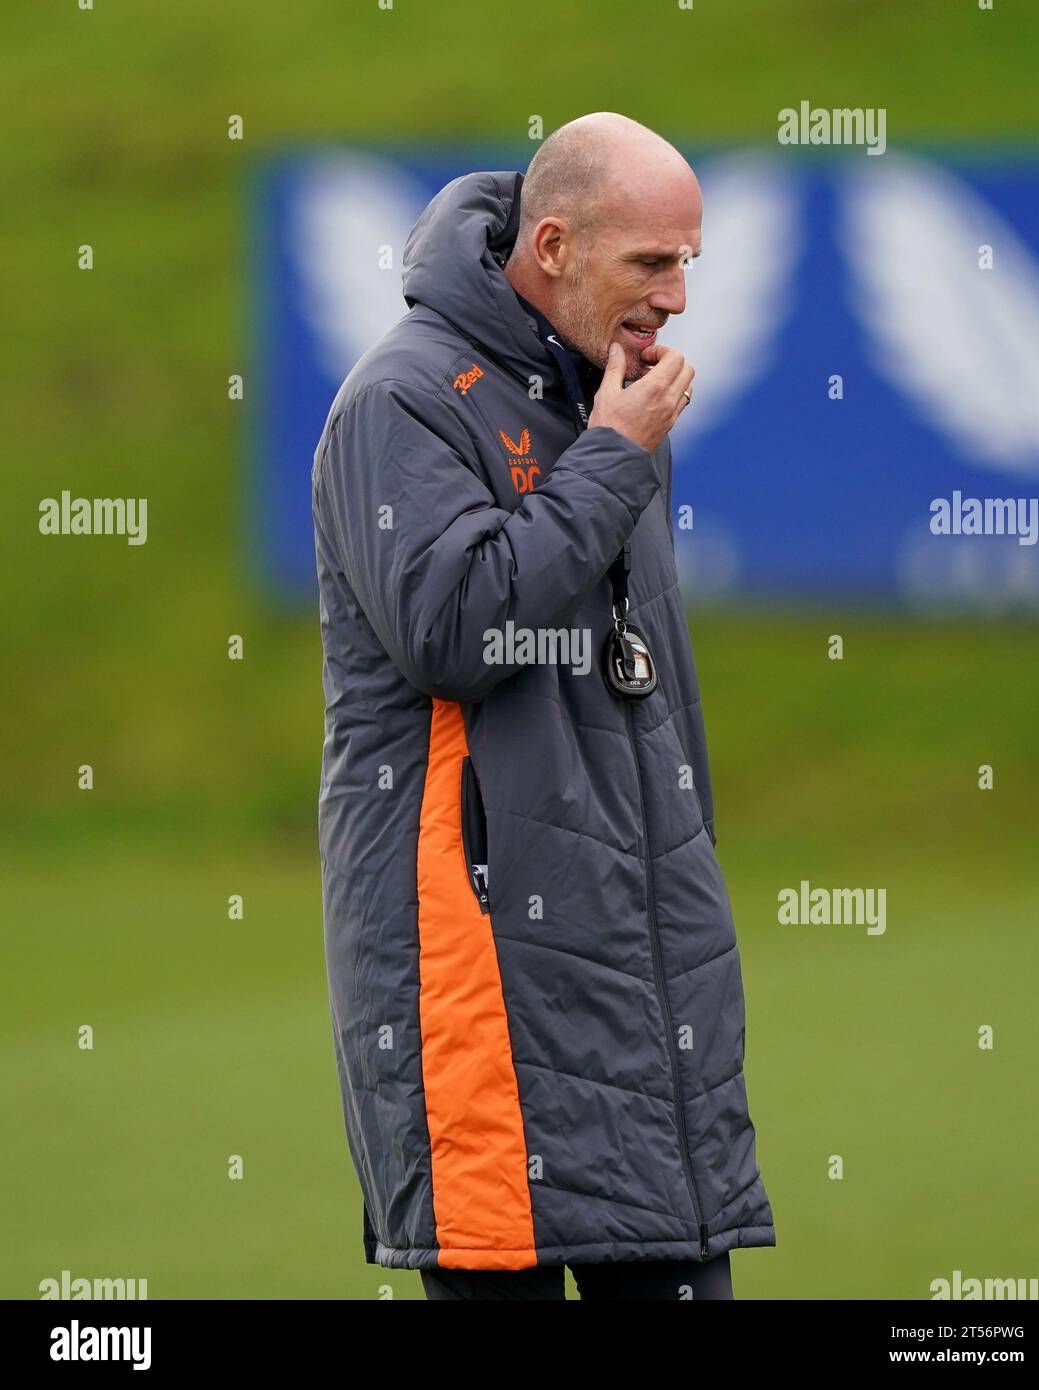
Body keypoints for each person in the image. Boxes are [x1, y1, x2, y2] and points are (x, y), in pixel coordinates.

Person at [312, 112, 775, 1301]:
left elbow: (651, 682)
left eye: (689, 264)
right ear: (557, 243)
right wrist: (614, 456)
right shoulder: (401, 401)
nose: (678, 298)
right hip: (482, 984)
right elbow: (456, 631)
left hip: (645, 972)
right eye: (652, 263)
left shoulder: (614, 400)